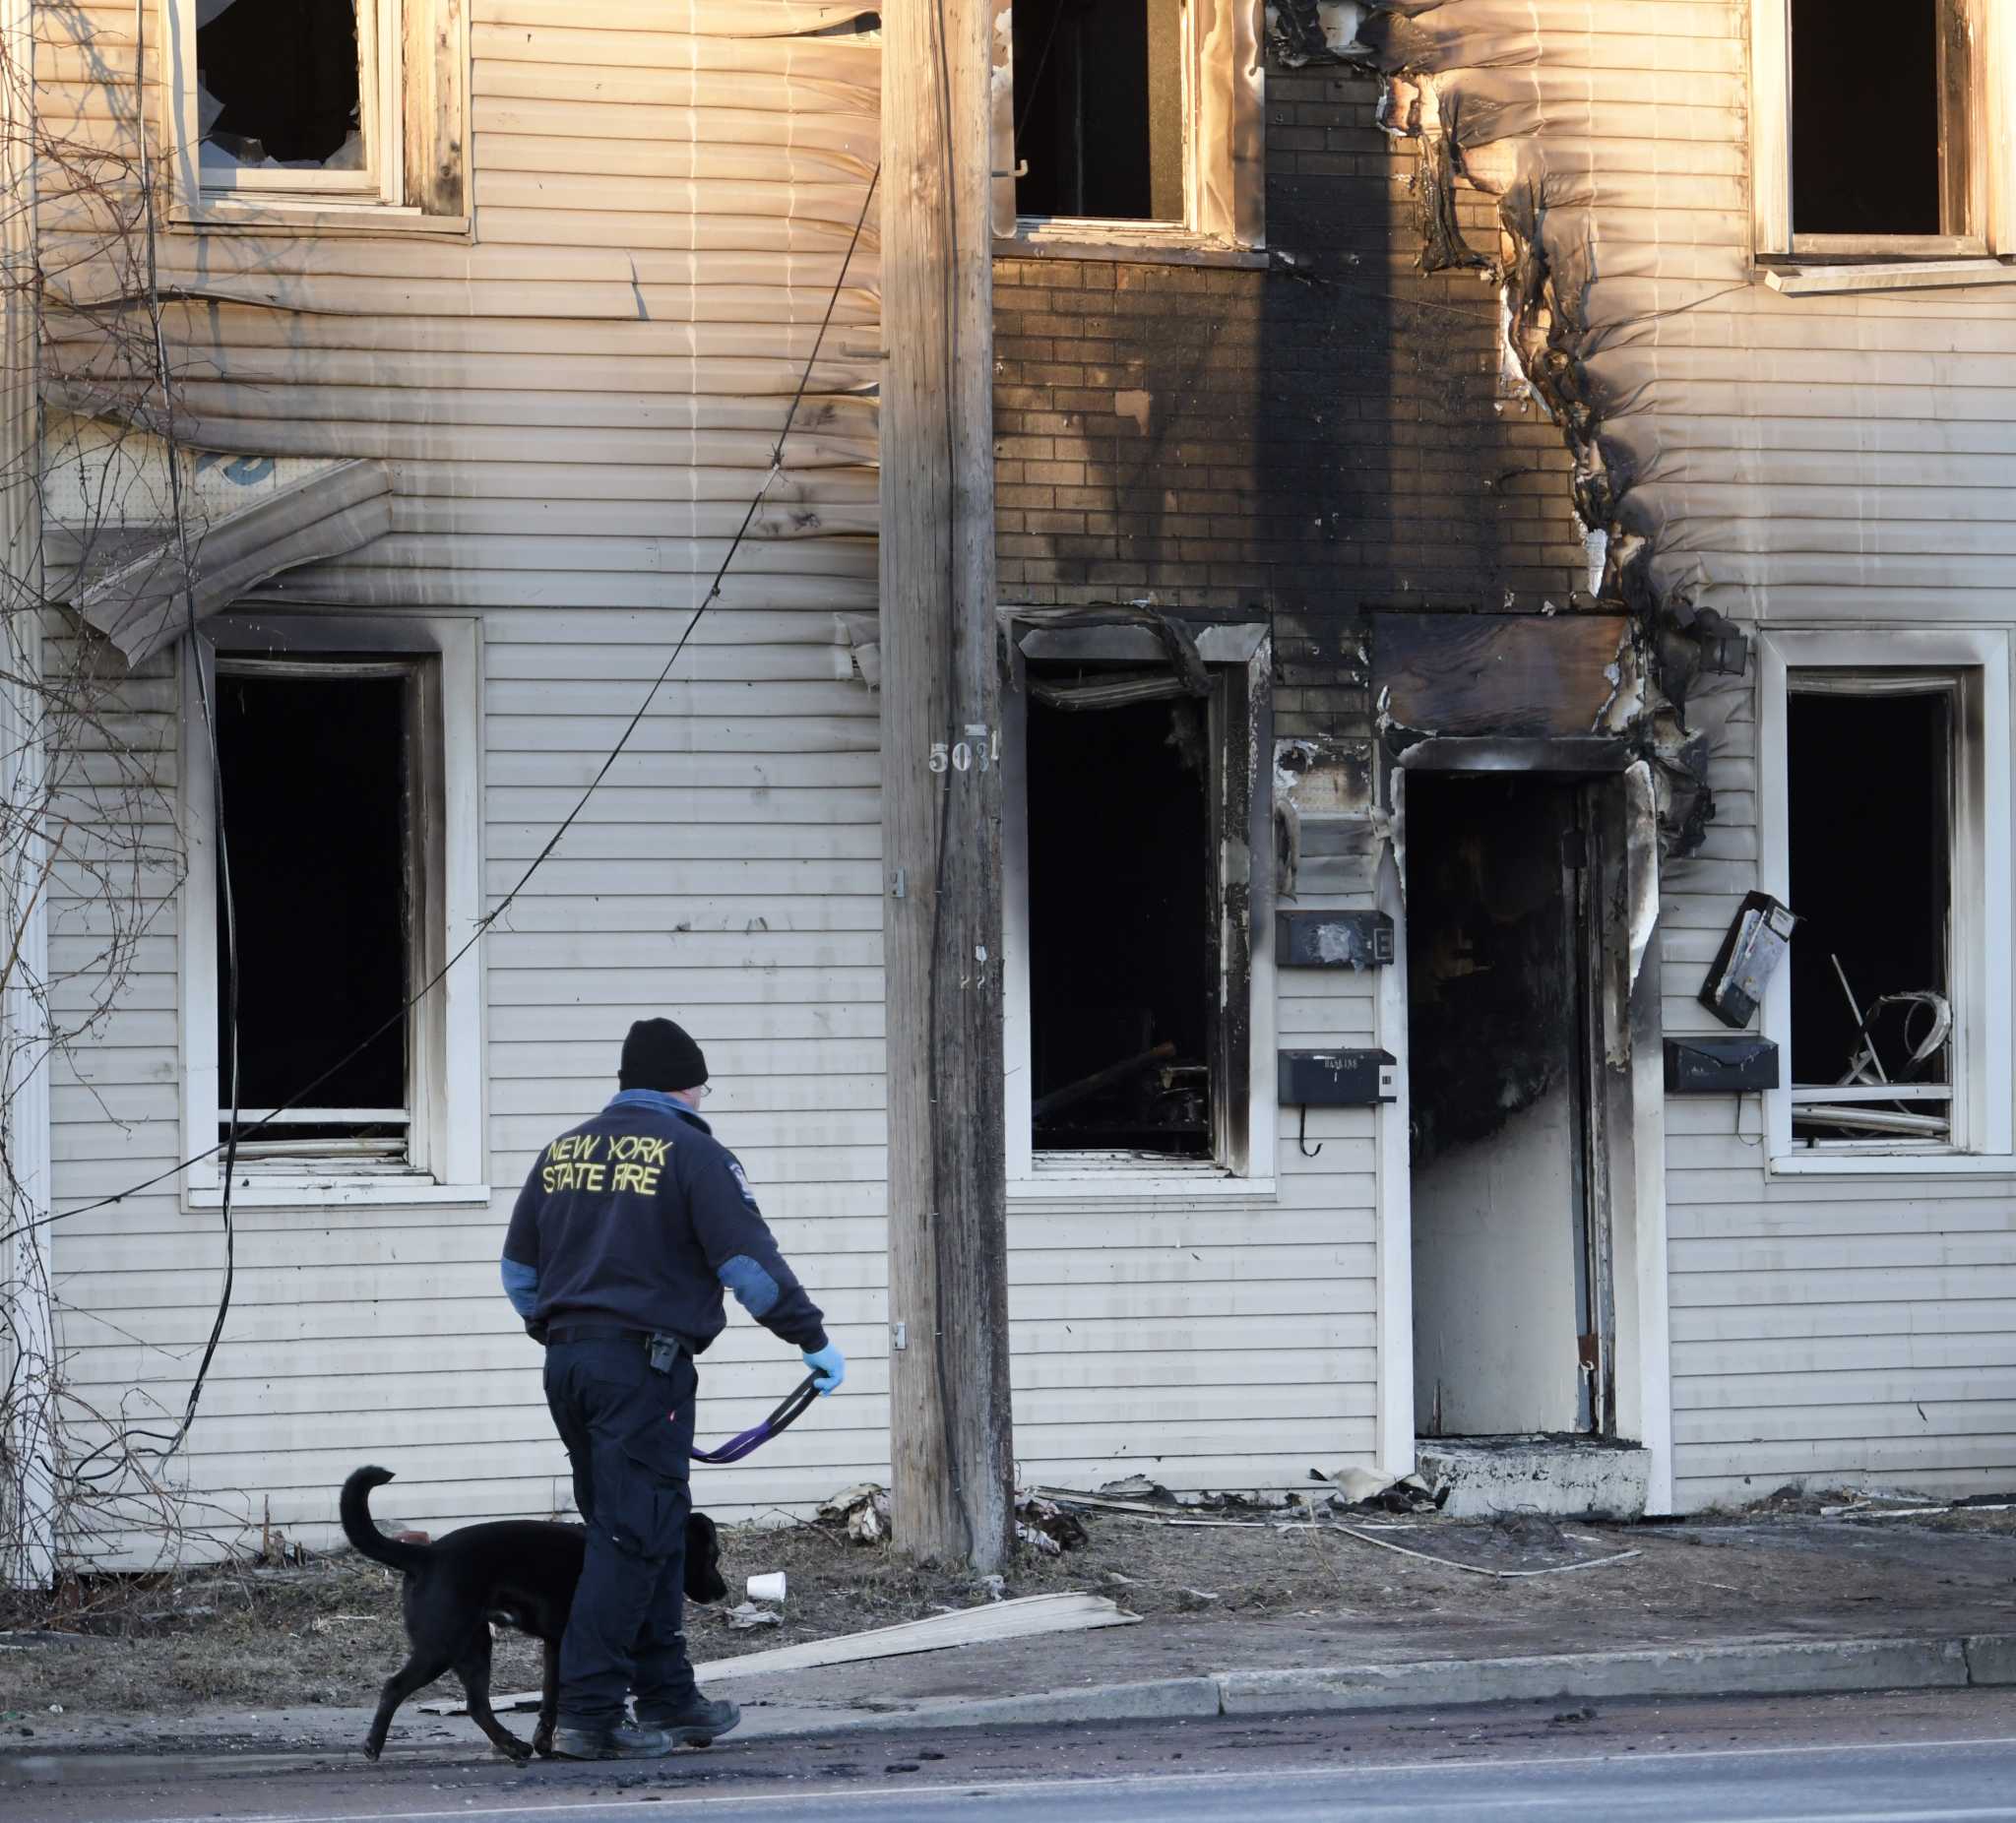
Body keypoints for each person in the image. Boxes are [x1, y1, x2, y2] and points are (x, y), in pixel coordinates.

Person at [501, 1017, 846, 1761]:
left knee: (641, 1528)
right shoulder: (694, 1152)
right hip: (641, 1368)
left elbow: (518, 1275)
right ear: (688, 1085)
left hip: (569, 1366)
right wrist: (811, 1340)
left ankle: (670, 1698)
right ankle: (589, 1715)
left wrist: (570, 1335)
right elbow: (749, 1268)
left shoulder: (561, 1153)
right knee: (632, 1538)